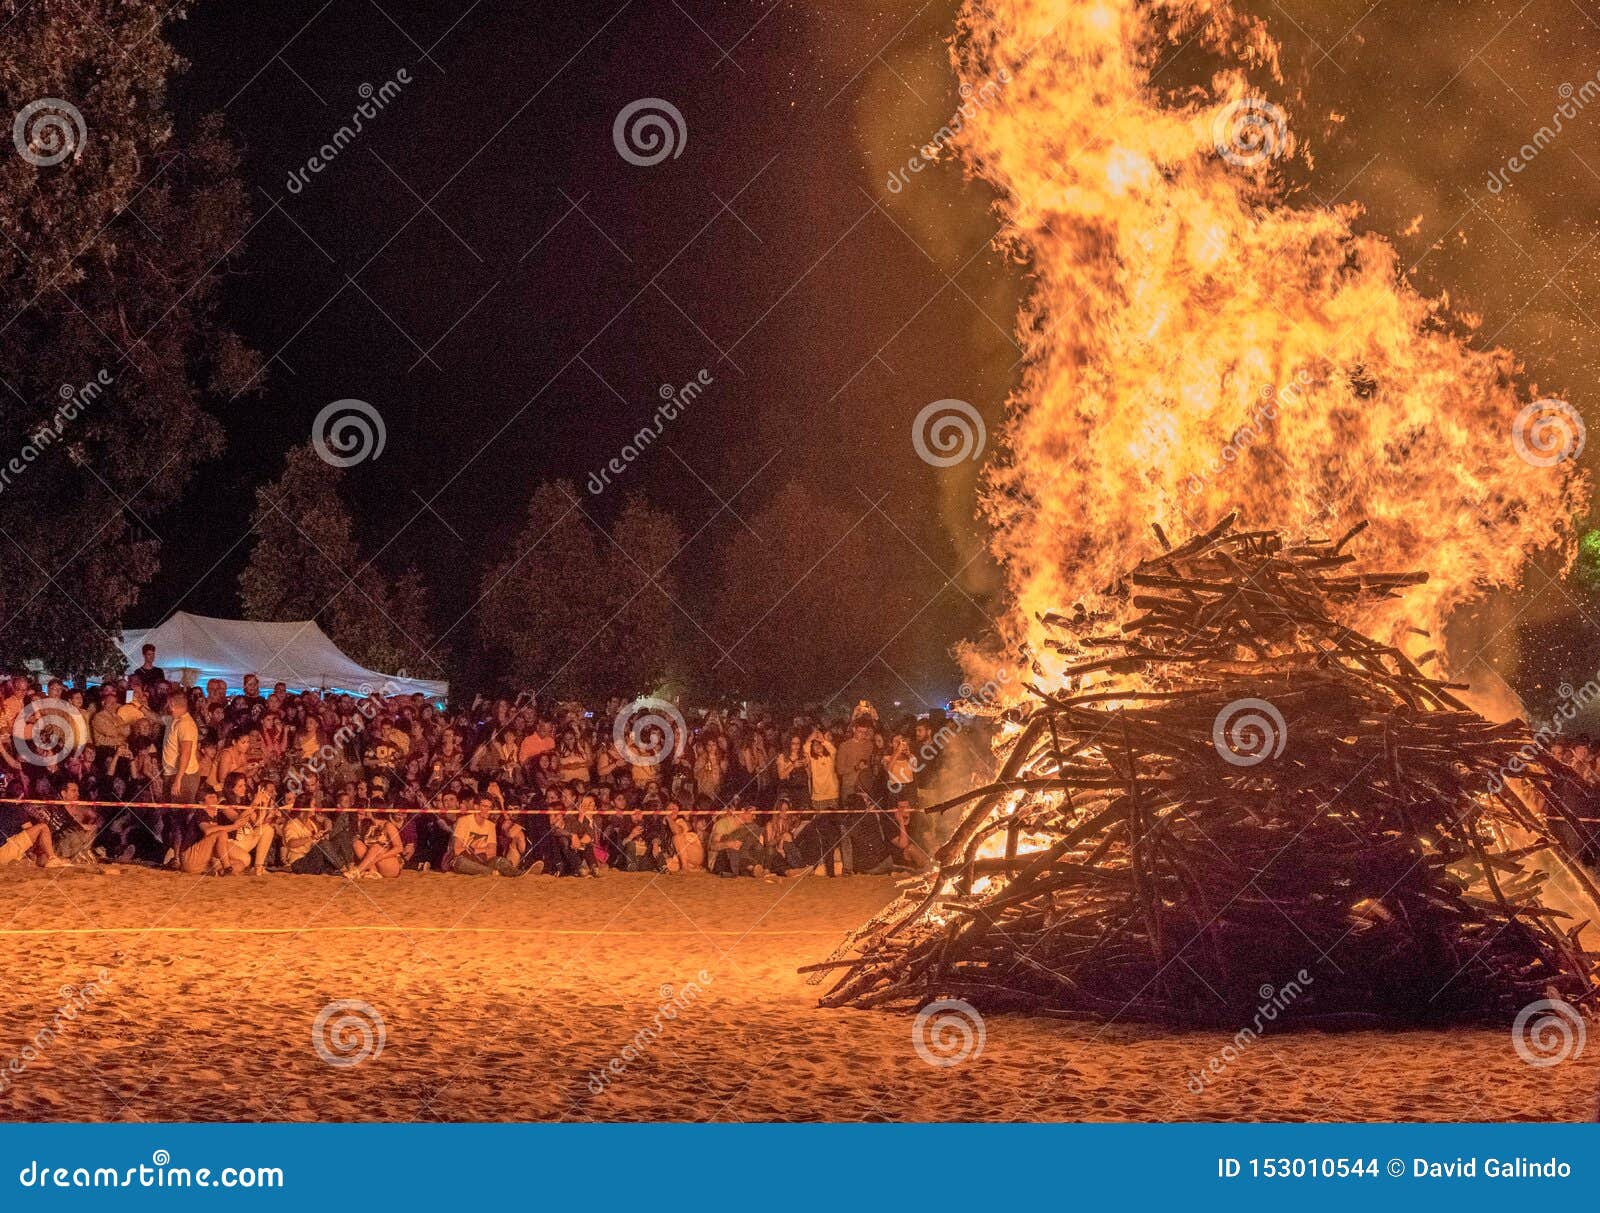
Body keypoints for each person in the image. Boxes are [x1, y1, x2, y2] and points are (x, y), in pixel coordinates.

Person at [451, 796, 517, 876]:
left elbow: (492, 853)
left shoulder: (491, 825)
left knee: (500, 861)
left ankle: (518, 873)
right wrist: (483, 850)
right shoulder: (464, 821)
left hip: (483, 860)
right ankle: (491, 872)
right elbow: (457, 850)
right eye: (485, 806)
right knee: (460, 862)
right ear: (476, 807)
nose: (488, 810)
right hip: (467, 861)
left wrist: (474, 850)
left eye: (490, 807)